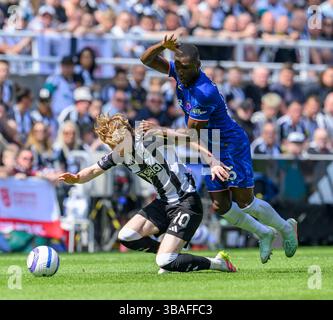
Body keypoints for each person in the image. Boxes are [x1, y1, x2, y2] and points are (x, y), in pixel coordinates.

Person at [140, 34, 298, 263]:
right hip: (210, 142)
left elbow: (192, 133)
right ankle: (263, 233)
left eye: (185, 68)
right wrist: (162, 46)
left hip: (230, 143)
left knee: (245, 201)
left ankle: (285, 228)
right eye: (178, 68)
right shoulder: (181, 72)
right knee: (220, 205)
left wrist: (158, 130)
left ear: (198, 66)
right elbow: (145, 59)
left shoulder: (204, 93)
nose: (180, 73)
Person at [59, 113, 237, 274]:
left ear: (129, 133)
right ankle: (171, 253)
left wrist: (213, 162)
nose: (120, 149)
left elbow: (191, 137)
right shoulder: (118, 154)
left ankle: (217, 263)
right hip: (163, 204)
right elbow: (92, 170)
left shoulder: (150, 138)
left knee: (164, 261)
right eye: (115, 145)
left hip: (186, 202)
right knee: (126, 236)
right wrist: (76, 178)